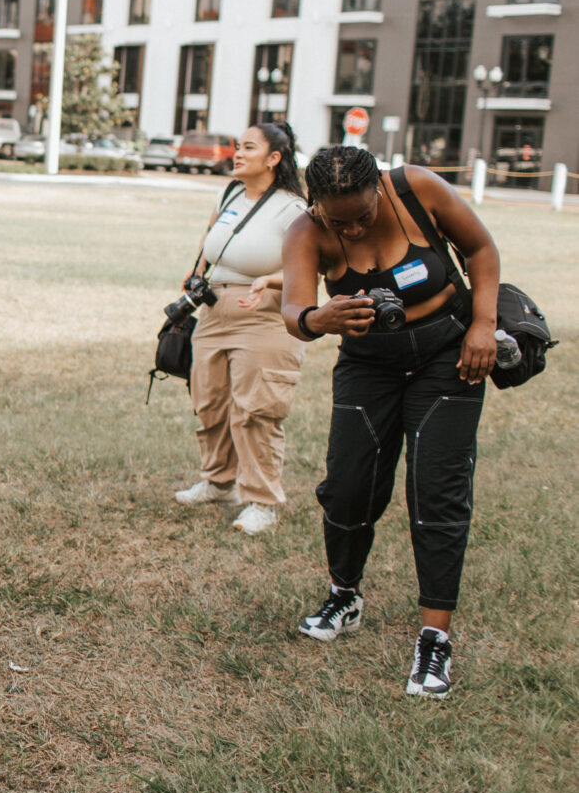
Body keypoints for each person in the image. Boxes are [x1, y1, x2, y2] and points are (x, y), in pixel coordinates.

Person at [282, 146, 500, 699]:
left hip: (447, 357)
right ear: (317, 206)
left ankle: (434, 638)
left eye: (363, 215)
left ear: (379, 187)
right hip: (368, 365)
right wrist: (317, 319)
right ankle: (345, 594)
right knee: (348, 486)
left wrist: (482, 326)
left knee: (437, 490)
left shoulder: (417, 189)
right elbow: (293, 311)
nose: (353, 229)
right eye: (340, 221)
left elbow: (479, 248)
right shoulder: (306, 232)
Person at [172, 123, 308, 535]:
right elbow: (211, 236)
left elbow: (311, 269)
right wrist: (196, 272)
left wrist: (270, 282)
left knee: (256, 410)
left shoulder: (293, 209)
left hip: (264, 315)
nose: (237, 153)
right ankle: (218, 483)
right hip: (214, 309)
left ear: (273, 159)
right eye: (237, 146)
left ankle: (261, 502)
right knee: (210, 402)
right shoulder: (228, 192)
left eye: (249, 147)